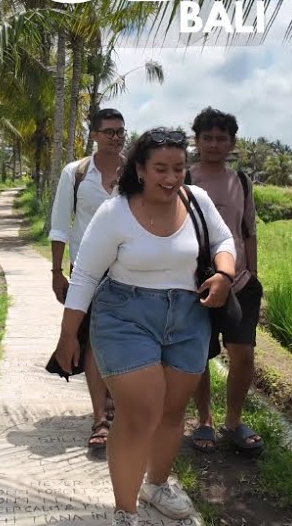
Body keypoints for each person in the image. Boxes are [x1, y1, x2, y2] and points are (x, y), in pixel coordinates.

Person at [53, 128, 237, 526]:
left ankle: (155, 485)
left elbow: (224, 241)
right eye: (160, 169)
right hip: (125, 315)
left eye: (177, 168)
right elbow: (84, 275)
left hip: (188, 317)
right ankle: (125, 510)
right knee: (141, 411)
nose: (171, 178)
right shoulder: (116, 212)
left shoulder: (197, 201)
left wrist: (223, 274)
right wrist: (69, 334)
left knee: (172, 412)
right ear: (139, 169)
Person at [185, 107, 264, 456]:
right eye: (207, 138)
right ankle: (204, 420)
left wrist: (254, 278)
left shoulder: (242, 181)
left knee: (243, 354)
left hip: (240, 281)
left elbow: (248, 232)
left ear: (232, 143)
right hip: (196, 281)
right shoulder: (184, 177)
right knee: (200, 355)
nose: (214, 144)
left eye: (221, 138)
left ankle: (233, 421)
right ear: (197, 141)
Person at [48, 107, 126, 453]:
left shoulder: (135, 173)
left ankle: (119, 407)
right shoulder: (76, 173)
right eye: (109, 131)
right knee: (93, 340)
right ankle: (100, 418)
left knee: (123, 342)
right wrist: (56, 271)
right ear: (93, 134)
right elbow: (60, 224)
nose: (116, 137)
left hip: (129, 272)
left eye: (120, 131)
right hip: (87, 271)